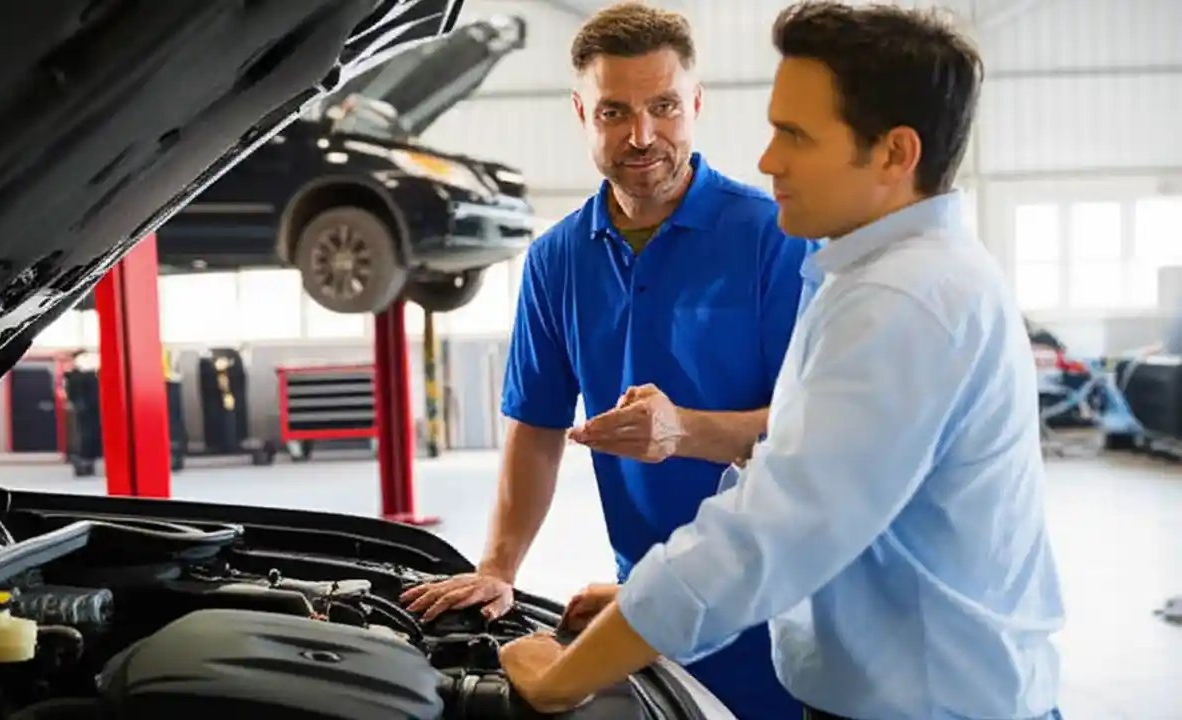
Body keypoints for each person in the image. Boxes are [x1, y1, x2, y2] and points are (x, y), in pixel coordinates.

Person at [496, 3, 1067, 719]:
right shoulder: (869, 276)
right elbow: (842, 503)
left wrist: (564, 678)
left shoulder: (903, 301)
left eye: (794, 135)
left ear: (894, 153)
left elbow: (774, 529)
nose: (768, 160)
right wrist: (638, 602)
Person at [400, 3, 807, 718]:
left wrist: (682, 428)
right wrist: (497, 569)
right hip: (643, 599)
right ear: (581, 113)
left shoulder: (774, 237)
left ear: (697, 106)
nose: (642, 135)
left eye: (664, 107)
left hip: (774, 602)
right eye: (615, 111)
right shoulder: (555, 261)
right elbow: (535, 427)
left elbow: (812, 433)